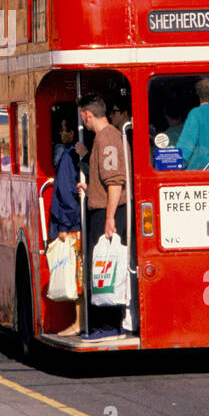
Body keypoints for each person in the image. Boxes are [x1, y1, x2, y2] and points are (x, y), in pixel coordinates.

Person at [76, 94, 128, 336]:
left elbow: (115, 182)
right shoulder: (109, 136)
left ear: (87, 114)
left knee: (106, 268)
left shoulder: (106, 138)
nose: (82, 121)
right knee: (106, 268)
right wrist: (91, 188)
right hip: (107, 207)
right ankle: (106, 324)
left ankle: (107, 325)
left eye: (82, 116)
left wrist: (109, 219)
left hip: (110, 212)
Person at [49, 117, 87, 336]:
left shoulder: (67, 157)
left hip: (72, 225)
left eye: (63, 131)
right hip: (78, 222)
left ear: (72, 133)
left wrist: (63, 225)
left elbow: (65, 193)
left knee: (76, 277)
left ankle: (78, 322)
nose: (60, 136)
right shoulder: (78, 155)